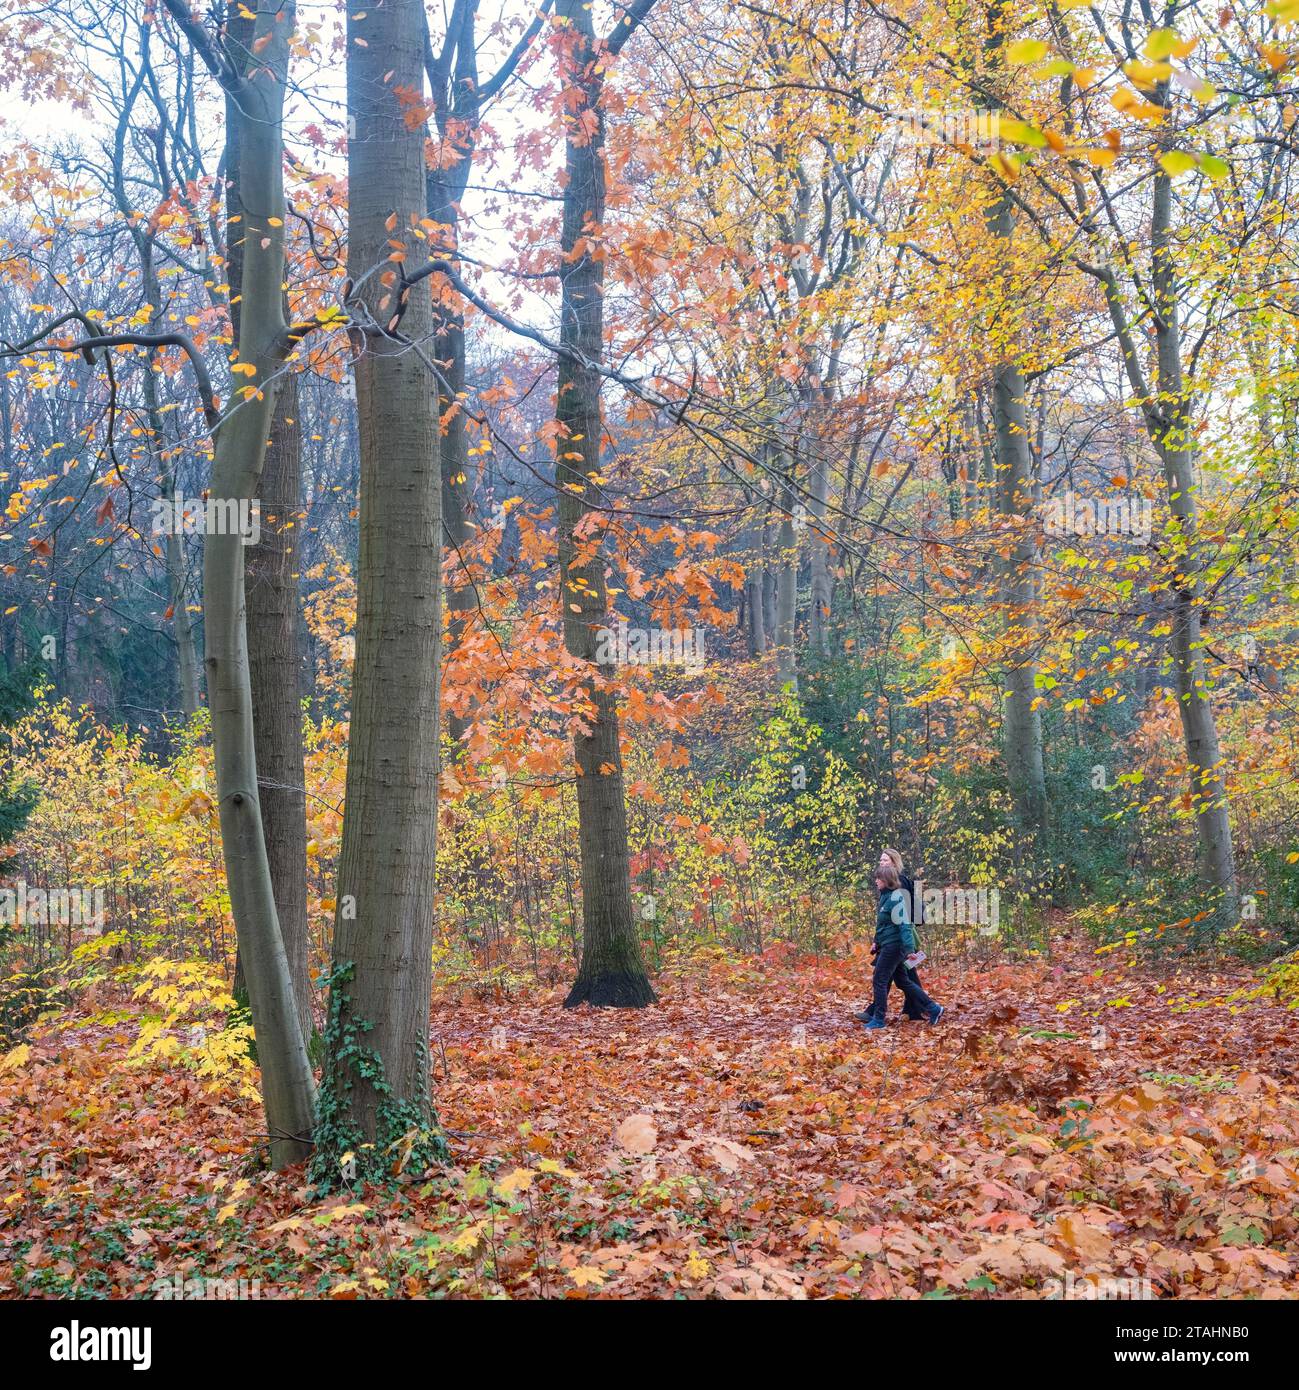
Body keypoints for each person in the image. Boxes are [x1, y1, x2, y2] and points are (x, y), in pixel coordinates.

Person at [859, 861, 943, 1030]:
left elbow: (904, 925)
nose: (875, 881)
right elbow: (883, 924)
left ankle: (879, 1019)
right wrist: (876, 941)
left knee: (879, 980)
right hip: (888, 944)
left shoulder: (896, 898)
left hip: (895, 947)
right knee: (903, 981)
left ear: (886, 880)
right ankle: (934, 1008)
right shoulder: (884, 896)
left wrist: (910, 950)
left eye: (878, 878)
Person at [881, 846, 927, 1019]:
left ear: (894, 862)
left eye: (885, 860)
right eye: (880, 860)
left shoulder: (900, 880)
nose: (881, 863)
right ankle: (915, 1009)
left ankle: (875, 1012)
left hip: (901, 936)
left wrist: (902, 936)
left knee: (890, 974)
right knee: (906, 974)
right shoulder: (889, 881)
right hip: (894, 936)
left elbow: (904, 912)